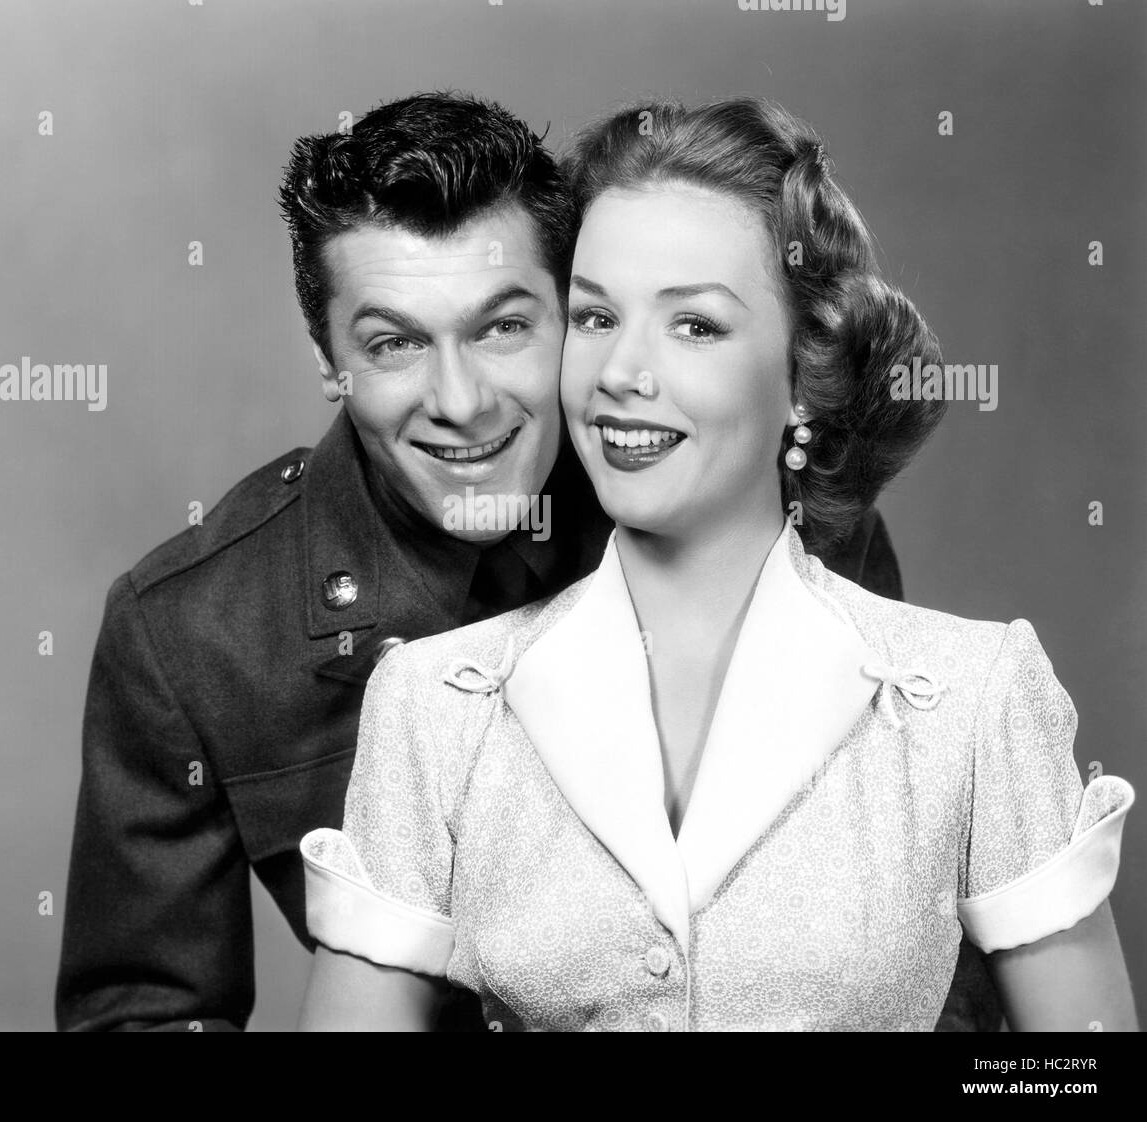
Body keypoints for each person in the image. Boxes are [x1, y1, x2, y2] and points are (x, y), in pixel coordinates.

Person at [54, 91, 906, 1032]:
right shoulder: (189, 631)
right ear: (326, 356)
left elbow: (926, 938)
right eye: (394, 343)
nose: (460, 402)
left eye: (505, 327)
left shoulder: (772, 517)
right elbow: (144, 1019)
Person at [297, 97, 1137, 1032]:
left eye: (694, 325)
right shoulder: (432, 706)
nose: (622, 371)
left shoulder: (976, 701)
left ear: (805, 374)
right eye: (596, 316)